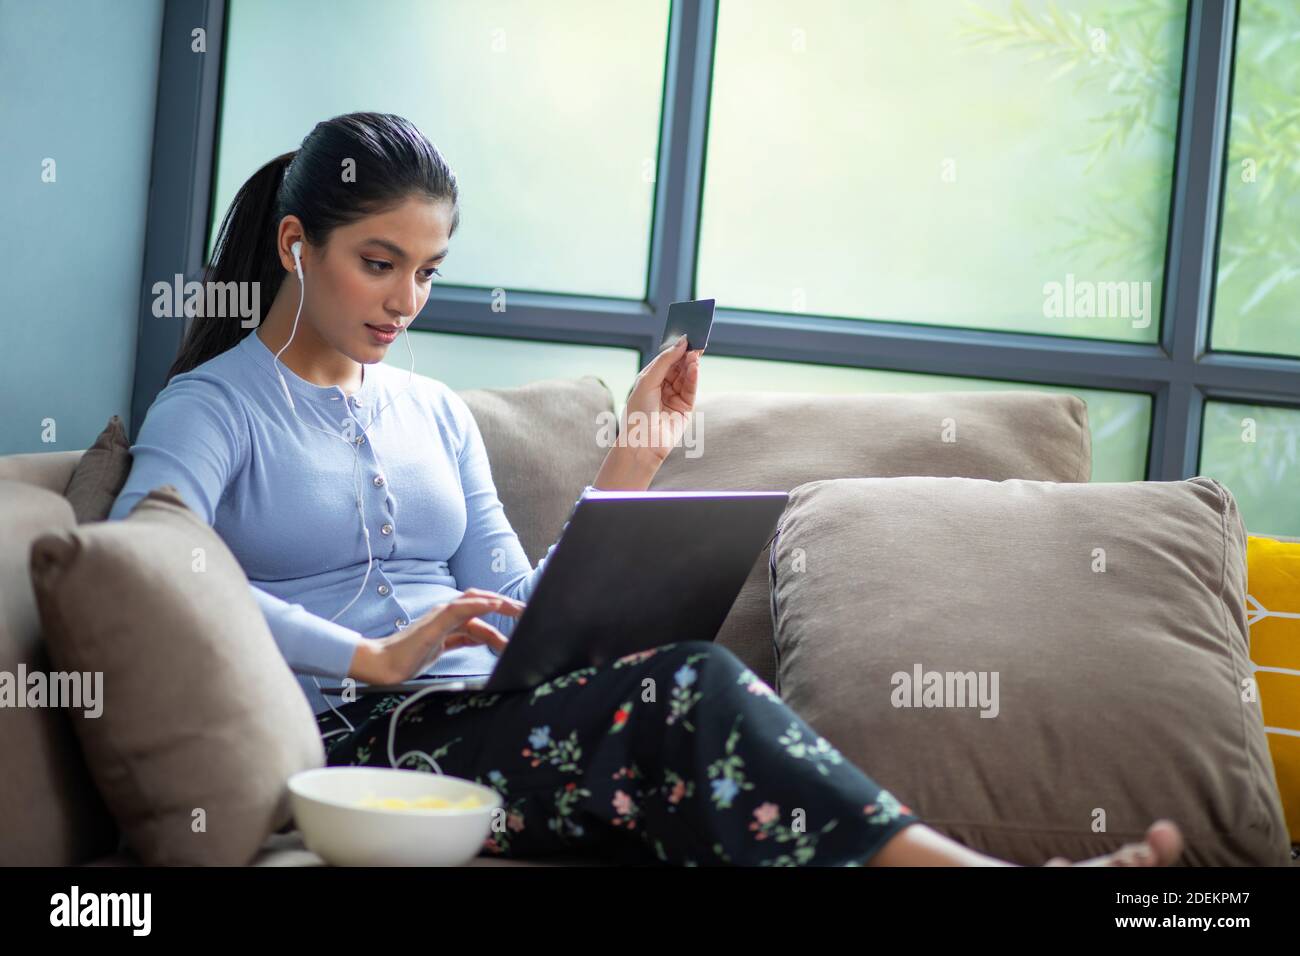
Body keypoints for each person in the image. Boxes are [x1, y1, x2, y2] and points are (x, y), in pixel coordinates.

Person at [110, 111, 1184, 867]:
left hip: (476, 711)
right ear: (297, 245)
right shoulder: (213, 408)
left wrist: (633, 456)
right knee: (691, 692)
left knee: (688, 741)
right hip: (360, 736)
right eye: (379, 262)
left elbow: (517, 605)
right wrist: (367, 653)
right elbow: (149, 563)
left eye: (429, 270)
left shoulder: (432, 410)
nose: (407, 300)